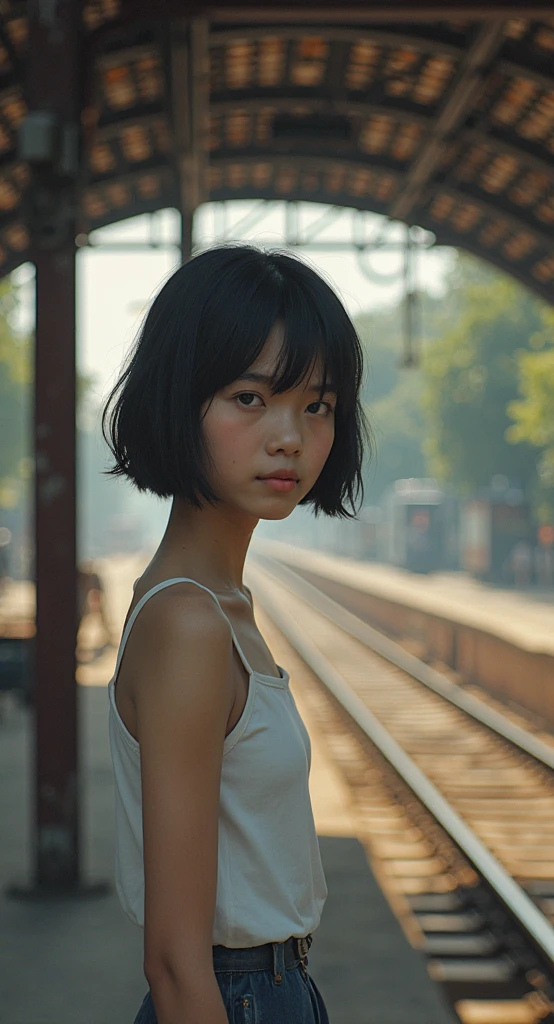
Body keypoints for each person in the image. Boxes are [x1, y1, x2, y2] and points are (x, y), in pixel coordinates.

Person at [101, 244, 369, 1024]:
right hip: (235, 998)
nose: (290, 435)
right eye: (250, 398)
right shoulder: (190, 622)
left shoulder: (222, 606)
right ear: (178, 399)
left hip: (278, 989)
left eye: (316, 405)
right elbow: (177, 963)